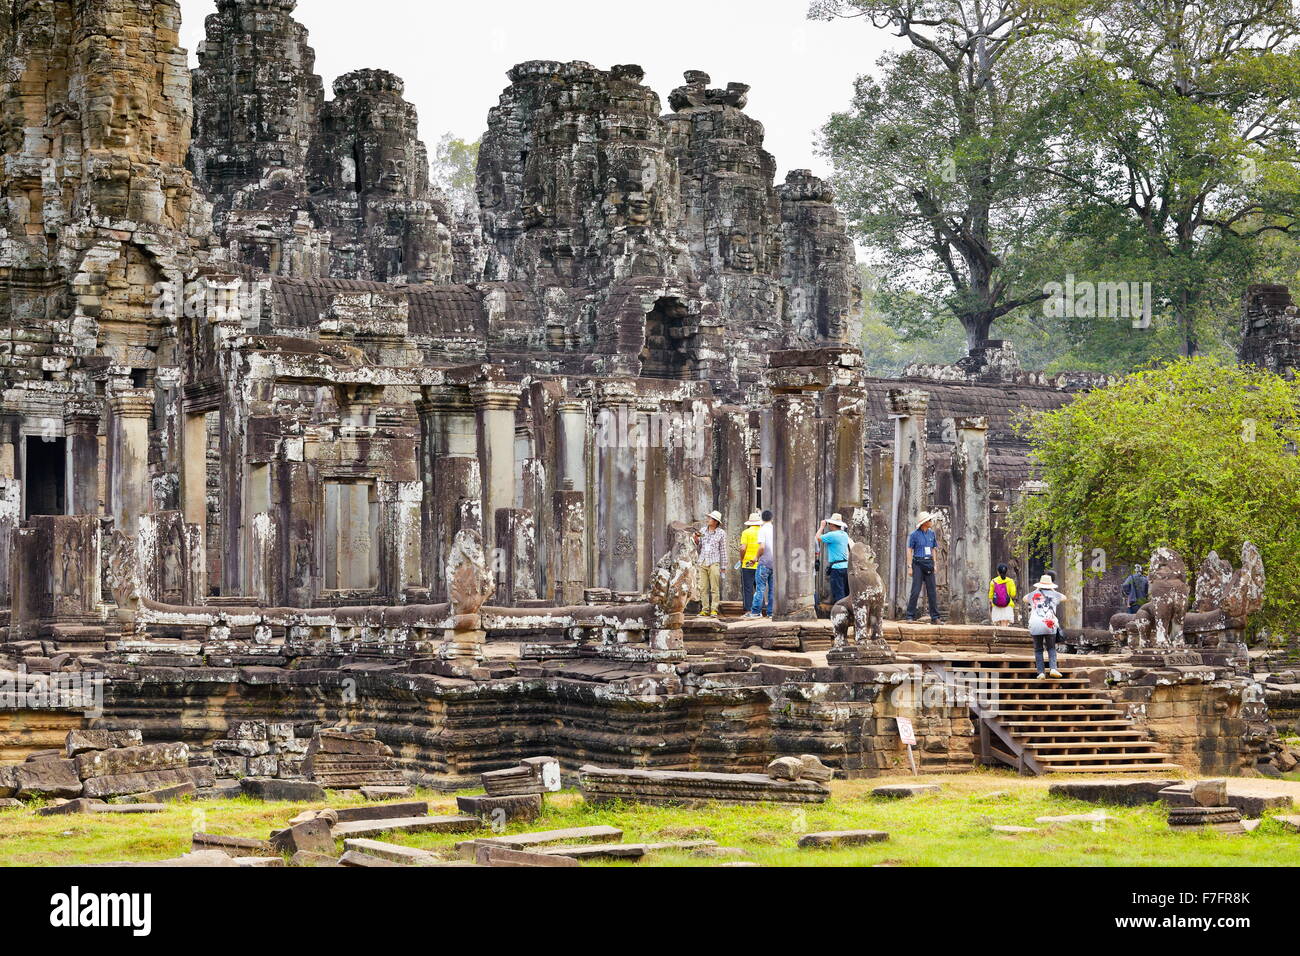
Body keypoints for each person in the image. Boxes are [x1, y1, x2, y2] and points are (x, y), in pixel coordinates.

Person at [1024, 573, 1066, 679]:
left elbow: (1024, 598)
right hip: (1049, 624)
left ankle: (1041, 672)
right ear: (1050, 585)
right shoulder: (1055, 595)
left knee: (1038, 649)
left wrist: (1037, 590)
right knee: (1051, 648)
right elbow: (1064, 598)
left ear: (1039, 584)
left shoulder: (1033, 594)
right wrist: (1053, 591)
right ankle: (1053, 669)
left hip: (1035, 624)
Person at [904, 511, 942, 624]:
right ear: (924, 523)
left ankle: (935, 617)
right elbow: (909, 550)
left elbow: (934, 549)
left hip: (928, 563)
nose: (931, 522)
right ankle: (910, 615)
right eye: (929, 520)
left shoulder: (931, 534)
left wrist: (935, 563)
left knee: (932, 592)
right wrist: (910, 566)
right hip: (917, 563)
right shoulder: (914, 535)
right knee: (915, 590)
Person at [693, 510, 726, 617]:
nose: (708, 519)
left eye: (710, 518)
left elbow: (723, 550)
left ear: (716, 521)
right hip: (702, 561)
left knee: (714, 587)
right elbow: (699, 547)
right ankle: (705, 609)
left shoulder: (721, 533)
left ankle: (714, 609)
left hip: (714, 562)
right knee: (703, 587)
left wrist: (724, 566)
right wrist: (696, 540)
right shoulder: (703, 530)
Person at [745, 510, 775, 618]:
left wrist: (755, 557)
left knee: (760, 588)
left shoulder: (763, 530)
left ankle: (756, 612)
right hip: (775, 563)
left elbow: (762, 547)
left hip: (764, 563)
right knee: (772, 589)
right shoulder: (774, 530)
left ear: (761, 519)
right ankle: (771, 613)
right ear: (772, 519)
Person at [817, 513, 852, 605]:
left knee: (839, 594)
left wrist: (821, 527)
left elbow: (817, 537)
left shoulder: (832, 535)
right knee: (846, 593)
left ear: (832, 524)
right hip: (846, 567)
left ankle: (841, 614)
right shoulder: (844, 534)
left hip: (837, 568)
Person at [737, 511, 763, 613]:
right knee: (759, 587)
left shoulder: (746, 533)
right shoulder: (762, 532)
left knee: (748, 587)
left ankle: (749, 609)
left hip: (747, 563)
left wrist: (741, 558)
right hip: (760, 563)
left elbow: (743, 548)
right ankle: (760, 609)